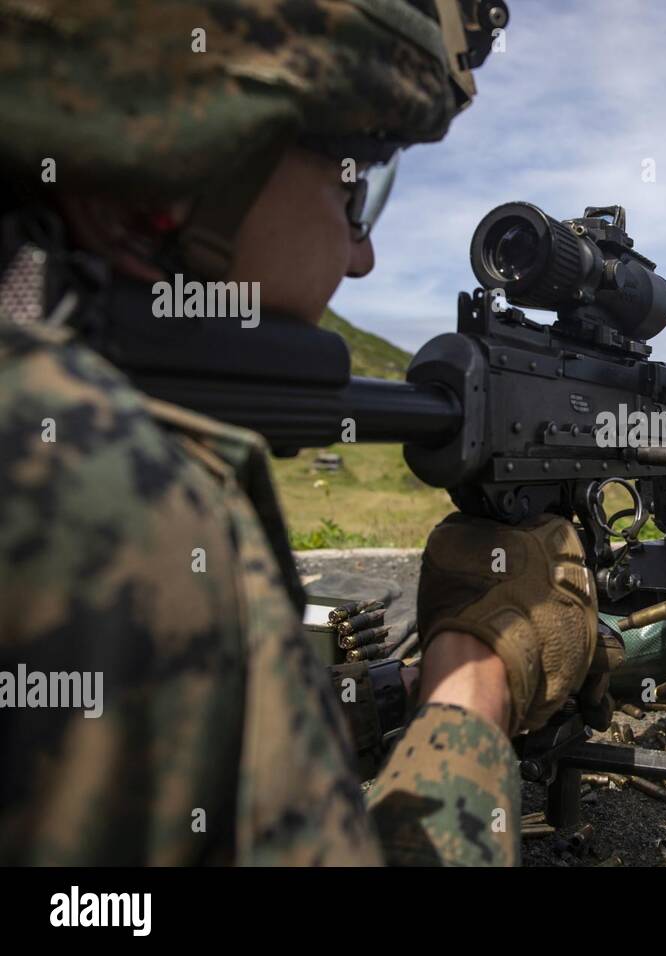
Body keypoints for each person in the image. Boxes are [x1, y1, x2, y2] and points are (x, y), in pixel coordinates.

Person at [0, 0, 598, 865]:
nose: (363, 257)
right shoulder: (106, 502)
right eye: (353, 188)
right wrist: (476, 679)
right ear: (194, 157)